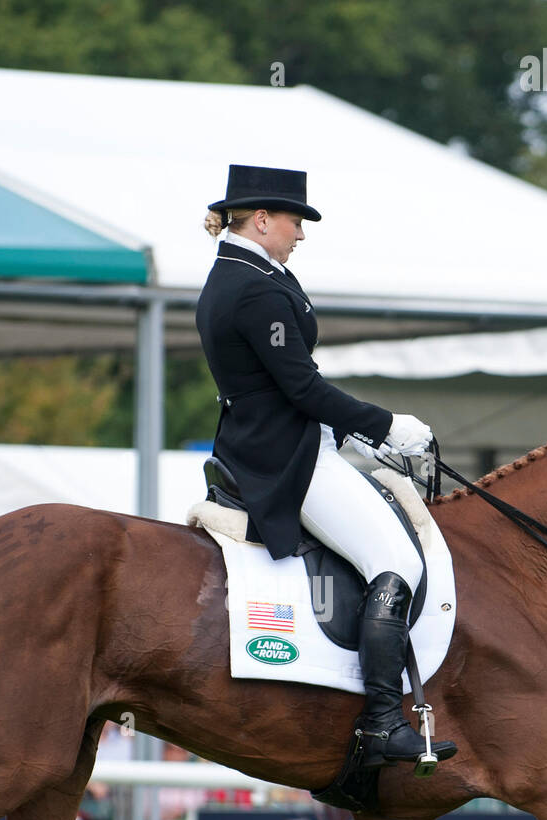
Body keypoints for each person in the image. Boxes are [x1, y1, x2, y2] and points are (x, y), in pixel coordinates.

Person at [195, 163, 456, 771]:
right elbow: (302, 388)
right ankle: (383, 723)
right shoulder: (256, 286)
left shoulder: (238, 272)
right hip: (283, 457)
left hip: (274, 439)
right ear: (261, 219)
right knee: (396, 561)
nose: (300, 234)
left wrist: (346, 436)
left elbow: (279, 389)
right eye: (294, 221)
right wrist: (388, 425)